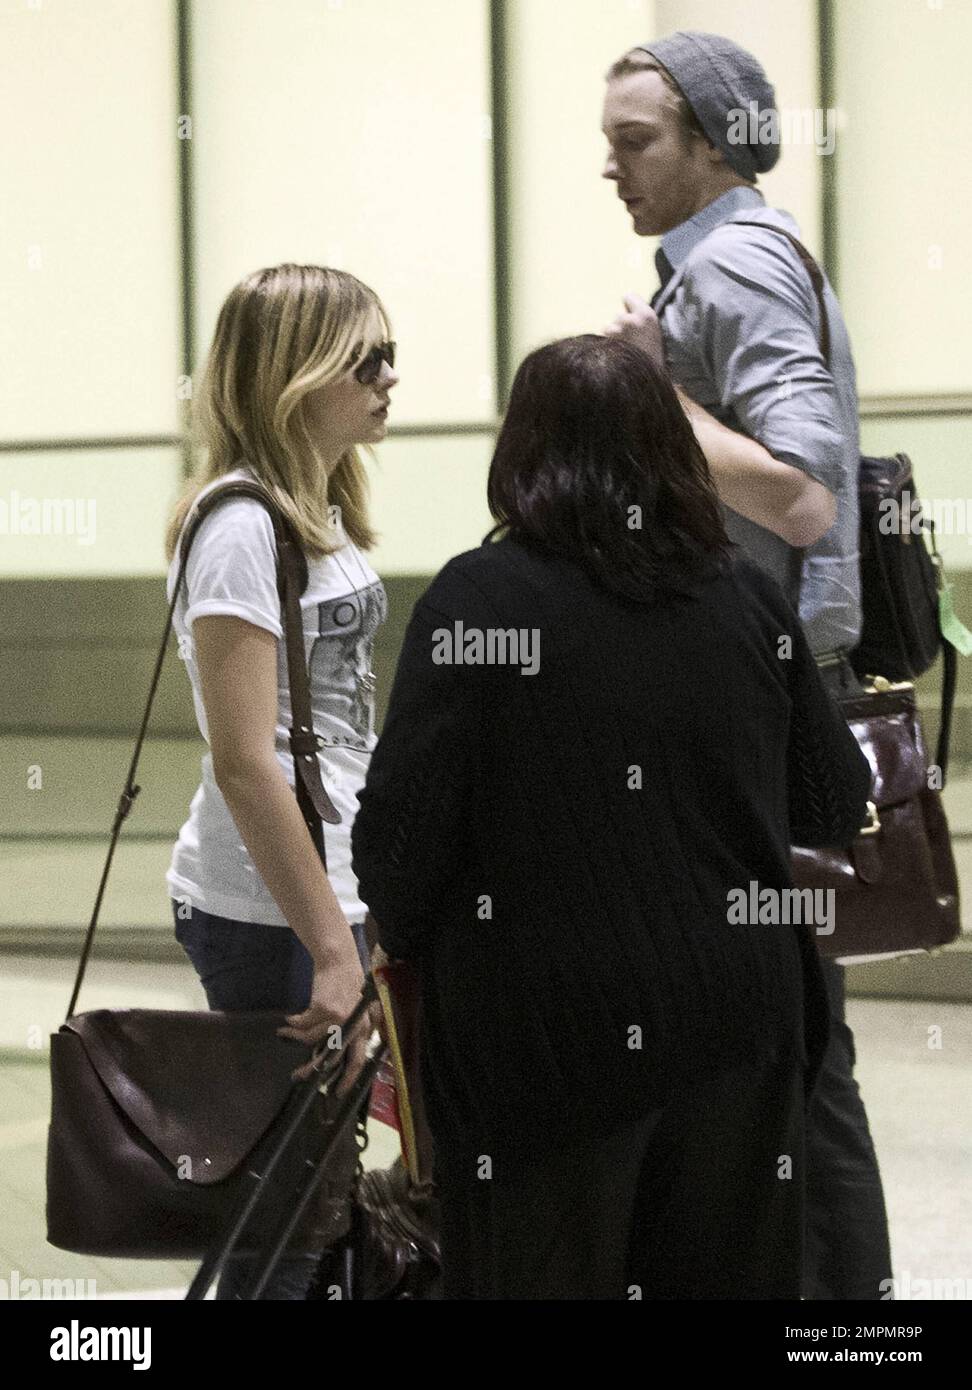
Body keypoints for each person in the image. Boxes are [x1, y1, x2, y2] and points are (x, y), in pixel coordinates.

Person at [350, 333, 872, 1299]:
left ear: (520, 452)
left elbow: (398, 847)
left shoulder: (481, 601)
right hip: (739, 1023)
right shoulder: (745, 599)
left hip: (541, 1039)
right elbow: (836, 799)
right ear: (673, 452)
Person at [601, 32, 893, 1299]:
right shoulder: (714, 267)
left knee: (789, 1025)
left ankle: (838, 1294)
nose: (611, 169)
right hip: (756, 684)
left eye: (637, 142)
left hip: (758, 696)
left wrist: (645, 392)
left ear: (715, 142)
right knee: (784, 1016)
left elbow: (804, 490)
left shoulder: (736, 264)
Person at [164, 262, 397, 1299]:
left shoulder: (320, 507)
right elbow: (246, 761)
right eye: (367, 359)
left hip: (329, 893)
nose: (392, 377)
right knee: (288, 1205)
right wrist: (330, 949)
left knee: (320, 1186)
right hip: (272, 912)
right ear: (298, 376)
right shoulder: (239, 527)